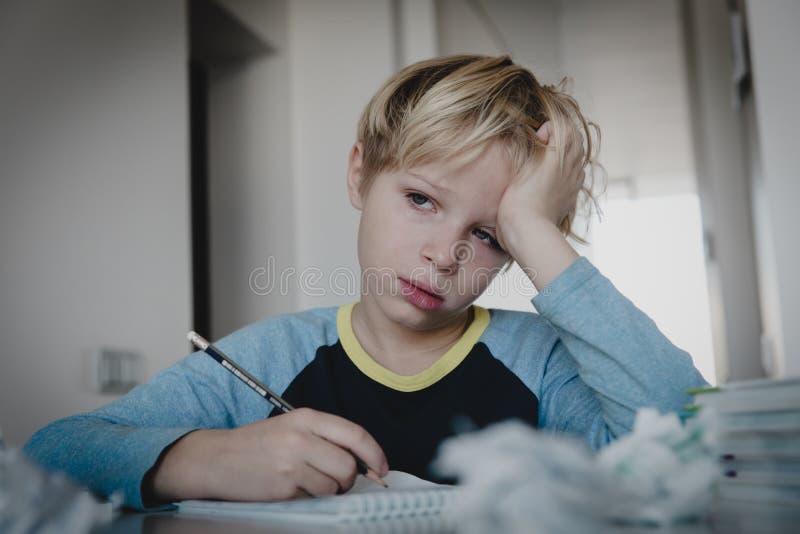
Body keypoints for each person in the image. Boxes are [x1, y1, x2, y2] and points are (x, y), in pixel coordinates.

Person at [24, 55, 707, 510]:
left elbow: (697, 447)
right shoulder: (271, 357)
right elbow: (48, 455)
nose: (444, 255)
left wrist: (534, 228)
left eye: (490, 234)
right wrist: (202, 459)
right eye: (421, 199)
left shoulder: (542, 365)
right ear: (360, 175)